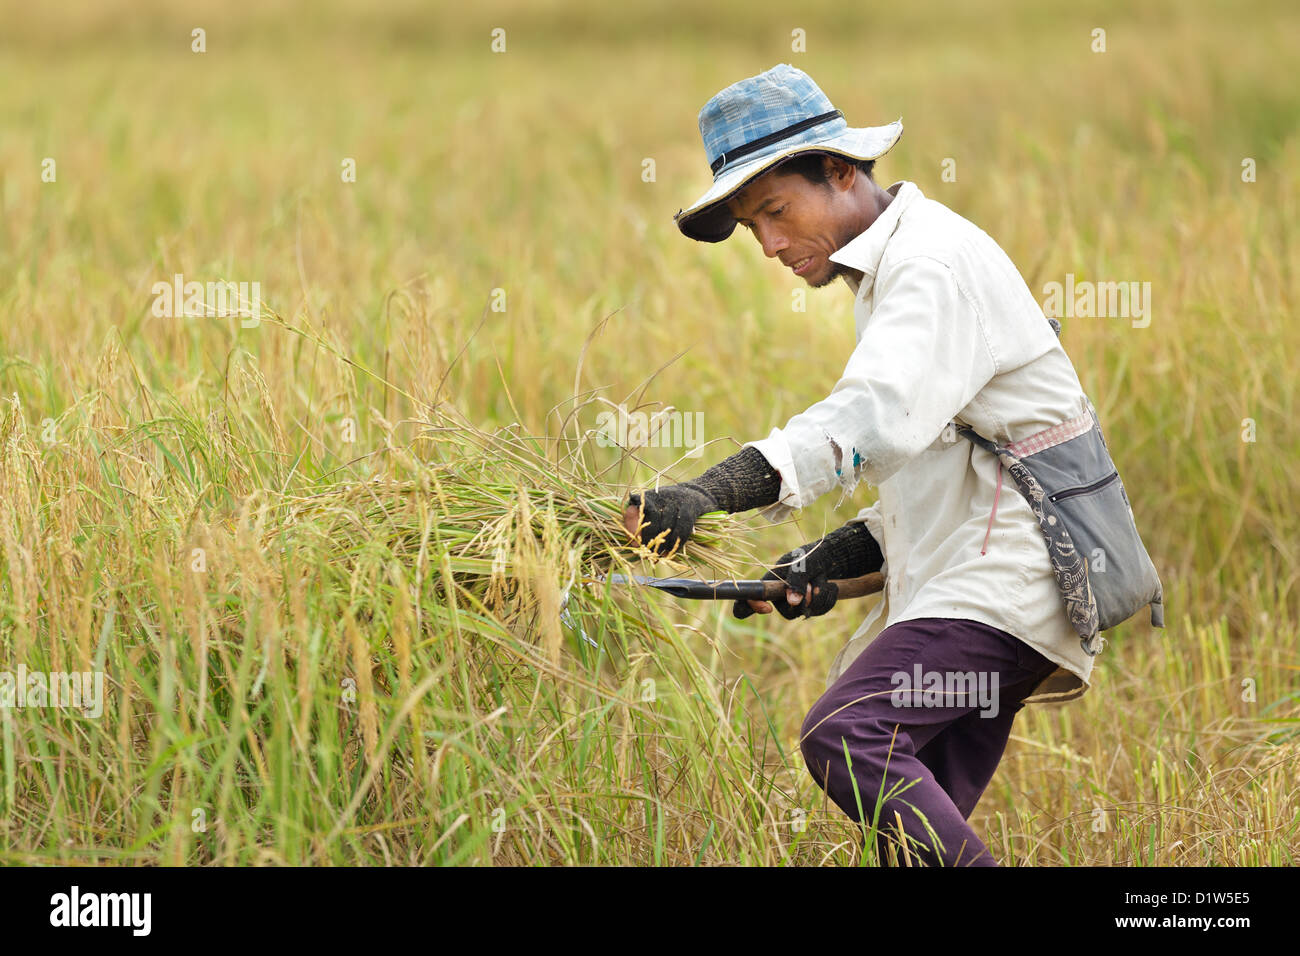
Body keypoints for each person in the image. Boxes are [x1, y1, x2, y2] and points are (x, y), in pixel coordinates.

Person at [623, 63, 1103, 867]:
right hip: (989, 584)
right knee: (915, 846)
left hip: (1012, 581)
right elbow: (935, 489)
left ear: (840, 171)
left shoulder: (930, 265)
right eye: (753, 229)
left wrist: (708, 492)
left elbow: (870, 420)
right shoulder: (889, 281)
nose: (771, 245)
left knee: (848, 735)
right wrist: (818, 566)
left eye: (777, 210)